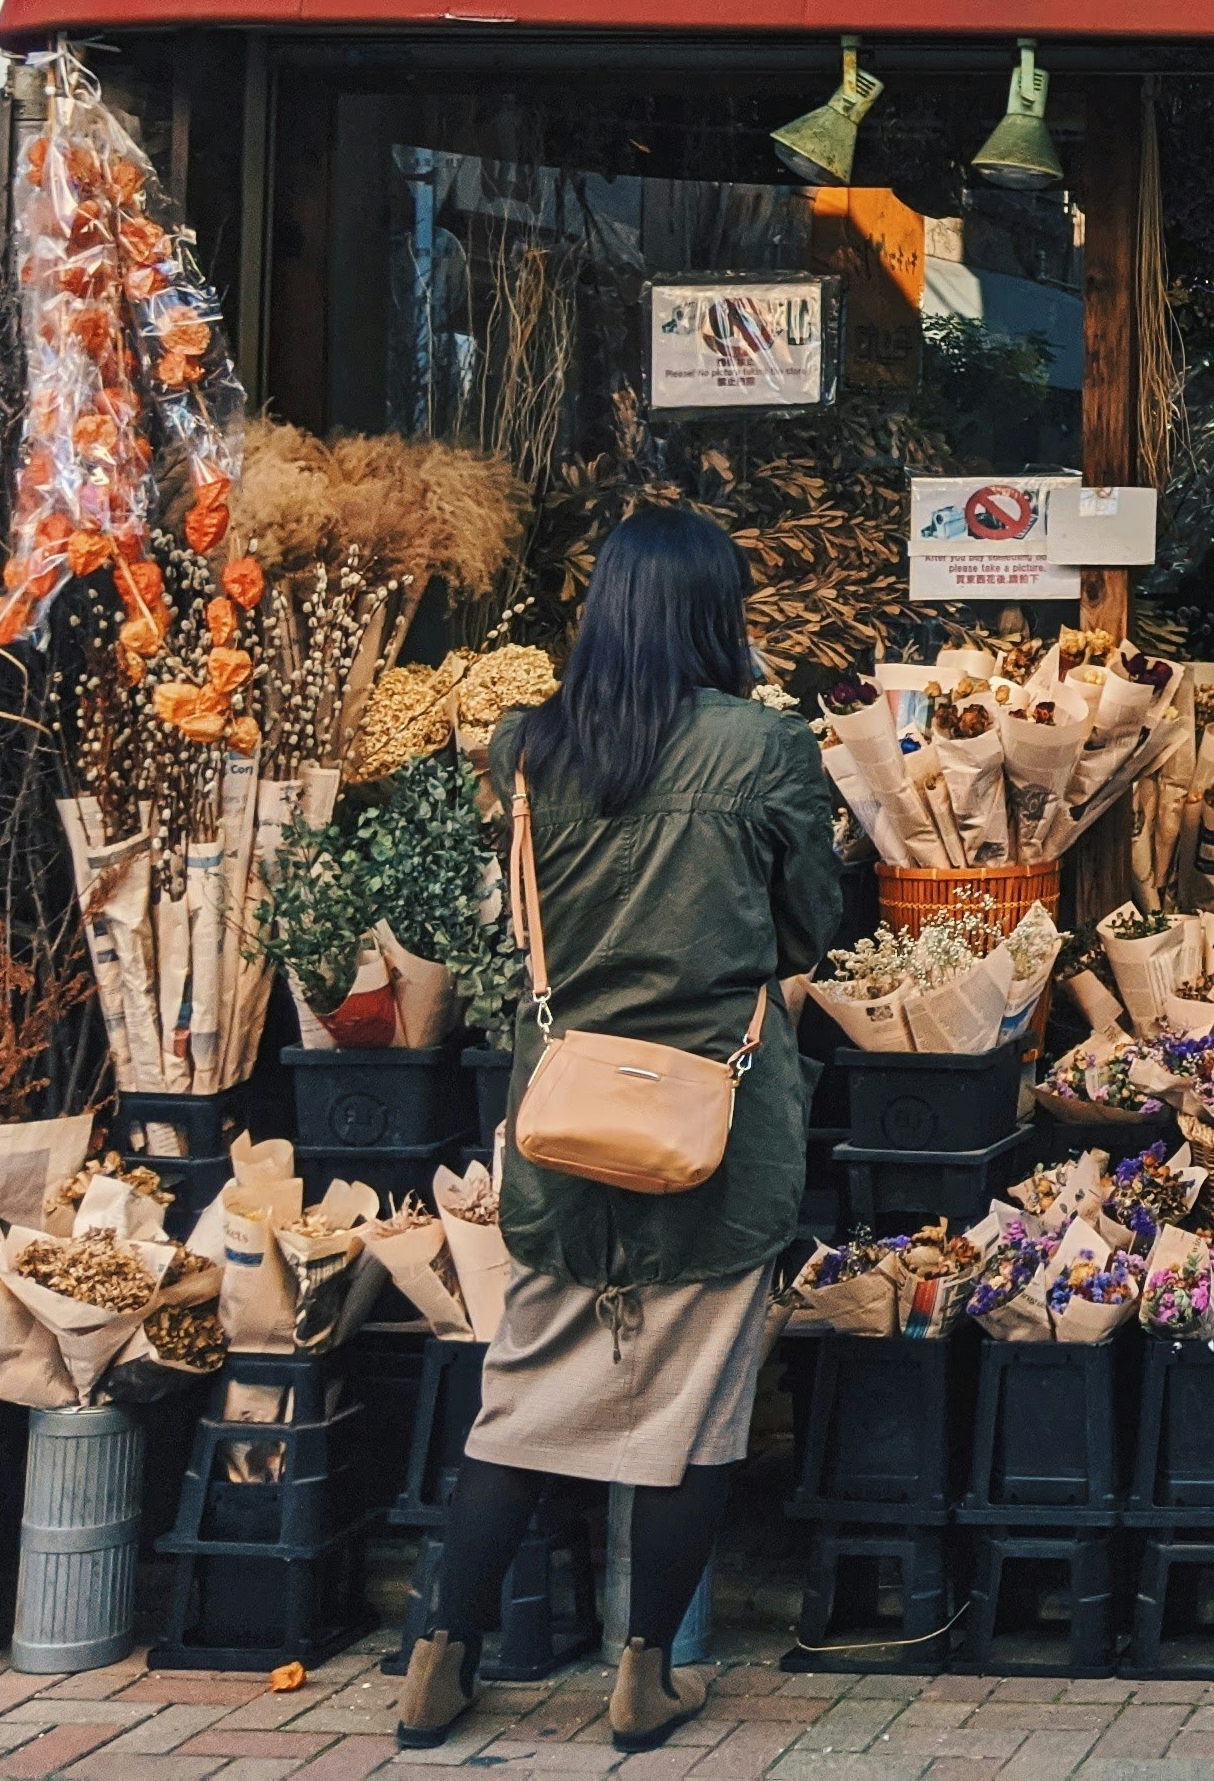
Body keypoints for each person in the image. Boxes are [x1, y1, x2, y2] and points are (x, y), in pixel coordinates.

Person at [396, 504, 841, 1752]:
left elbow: (526, 923)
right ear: (719, 612)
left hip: (563, 1120)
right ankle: (645, 1675)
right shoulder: (766, 750)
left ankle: (440, 1657)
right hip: (717, 1122)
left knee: (521, 1397)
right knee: (698, 1410)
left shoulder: (523, 751)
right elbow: (807, 928)